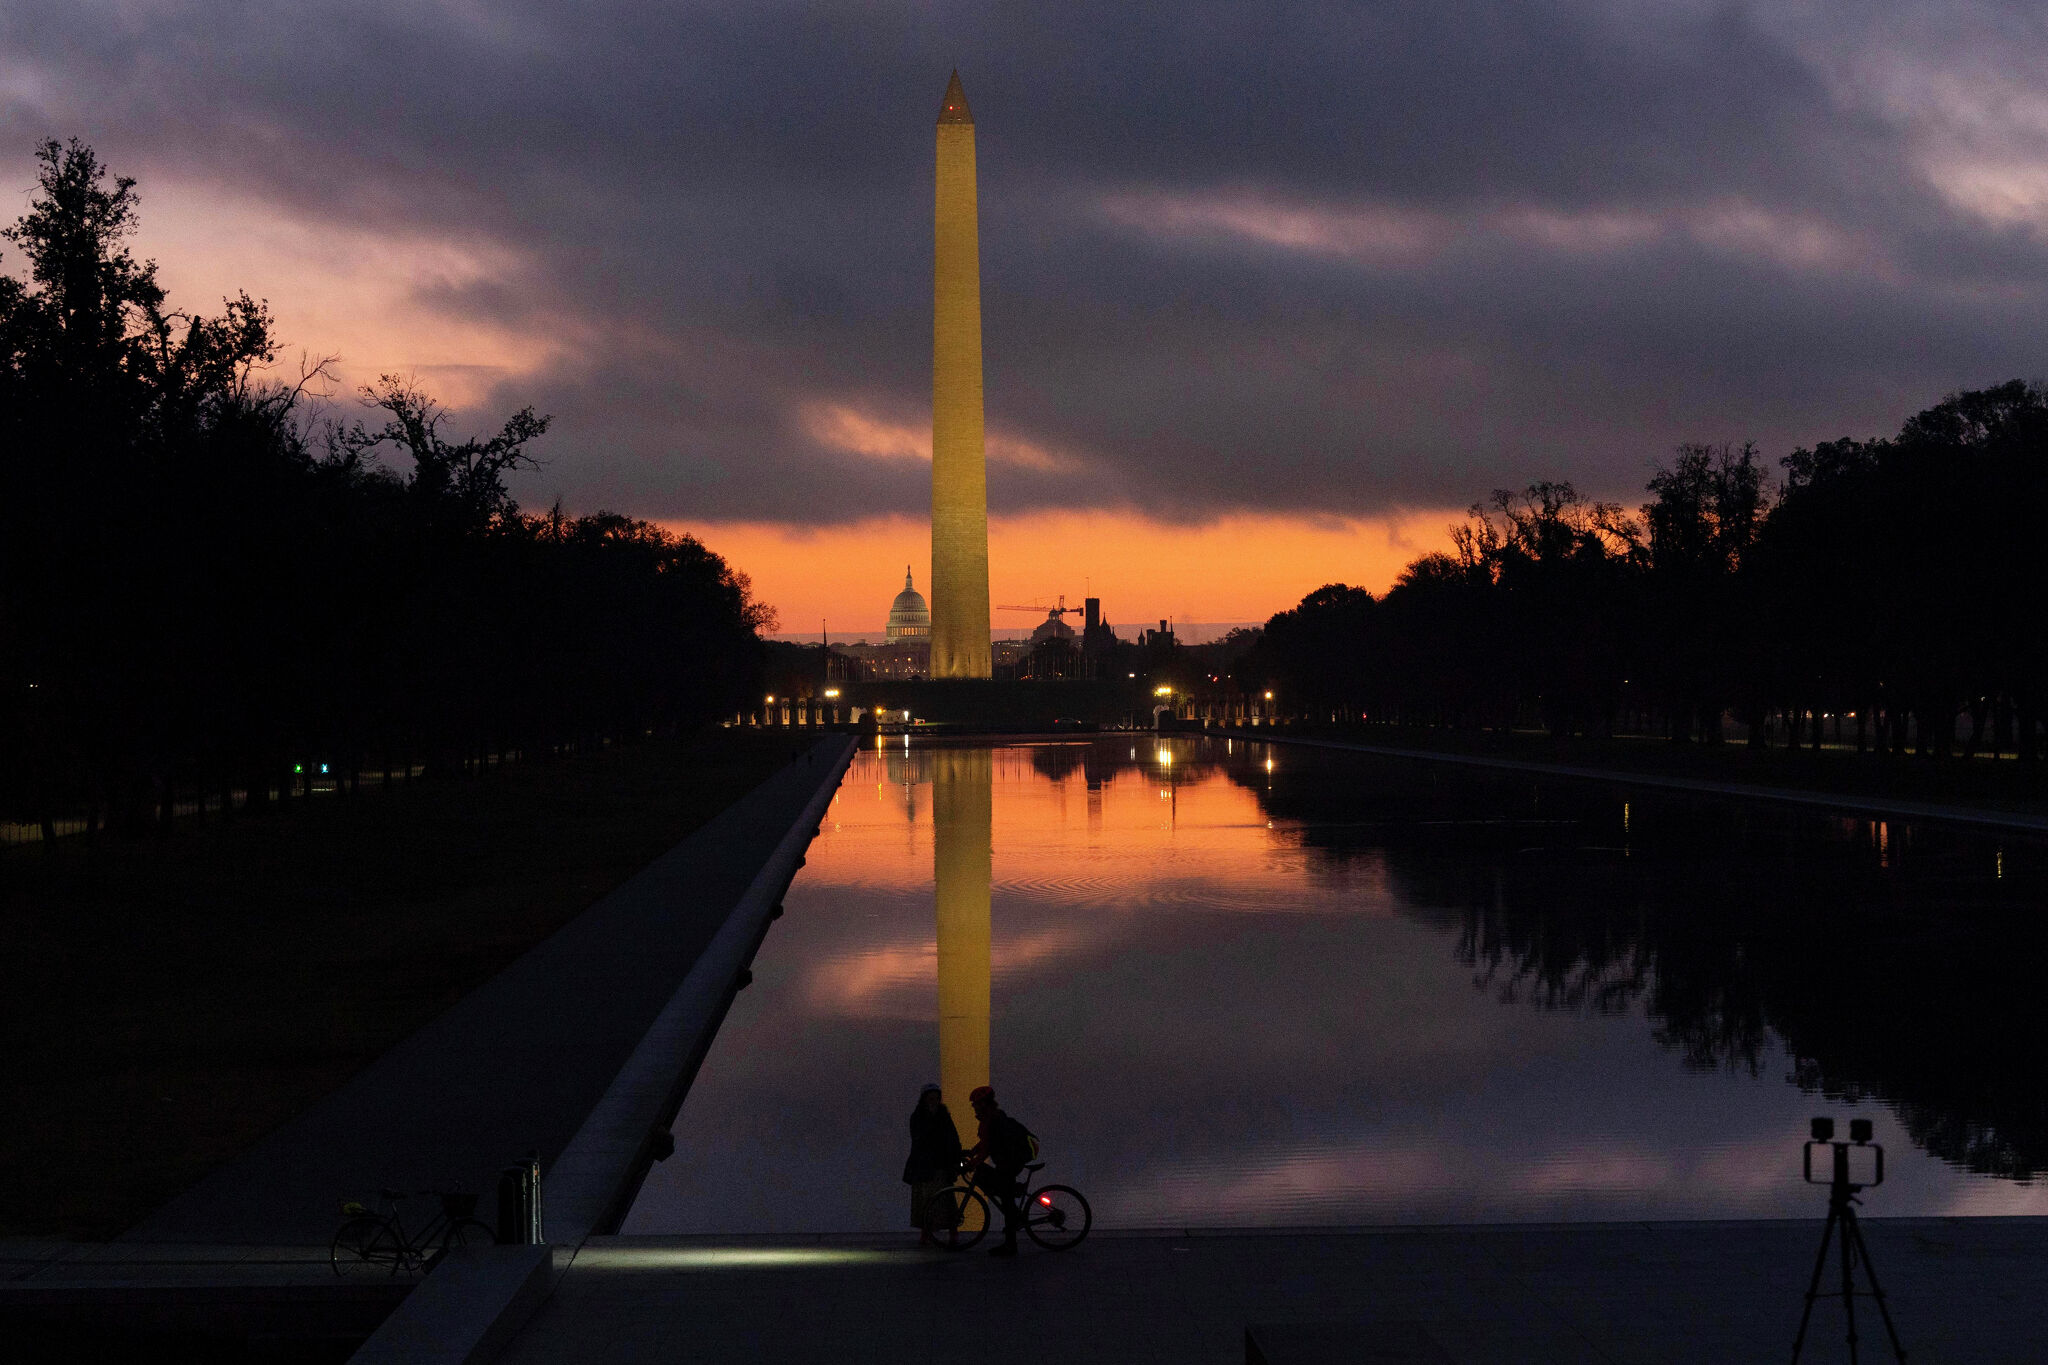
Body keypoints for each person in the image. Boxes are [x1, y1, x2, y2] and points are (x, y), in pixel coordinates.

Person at [964, 1084, 1036, 1256]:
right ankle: (1013, 1195)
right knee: (1004, 1192)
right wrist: (972, 1153)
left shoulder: (992, 1120)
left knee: (1007, 1200)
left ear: (983, 1103)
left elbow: (987, 1147)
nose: (973, 1107)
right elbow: (985, 1143)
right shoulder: (993, 1118)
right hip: (1008, 1161)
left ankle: (1011, 1246)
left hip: (1010, 1162)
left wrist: (972, 1163)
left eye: (975, 1103)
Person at [902, 1083, 962, 1244]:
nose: (933, 1101)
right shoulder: (920, 1116)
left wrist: (955, 1157)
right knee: (926, 1200)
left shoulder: (941, 1116)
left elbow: (952, 1138)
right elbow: (920, 1139)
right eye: (931, 1098)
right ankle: (927, 1233)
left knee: (944, 1200)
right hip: (926, 1166)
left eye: (936, 1098)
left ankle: (950, 1232)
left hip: (939, 1165)